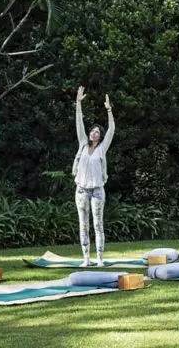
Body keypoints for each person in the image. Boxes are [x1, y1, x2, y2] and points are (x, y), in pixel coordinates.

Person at [73, 85, 115, 267]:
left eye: (97, 132)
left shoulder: (102, 148)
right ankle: (86, 259)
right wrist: (78, 102)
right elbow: (78, 122)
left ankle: (99, 259)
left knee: (98, 225)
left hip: (97, 191)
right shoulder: (83, 144)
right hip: (81, 190)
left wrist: (109, 109)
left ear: (100, 136)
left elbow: (112, 128)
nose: (93, 133)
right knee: (83, 224)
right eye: (93, 131)